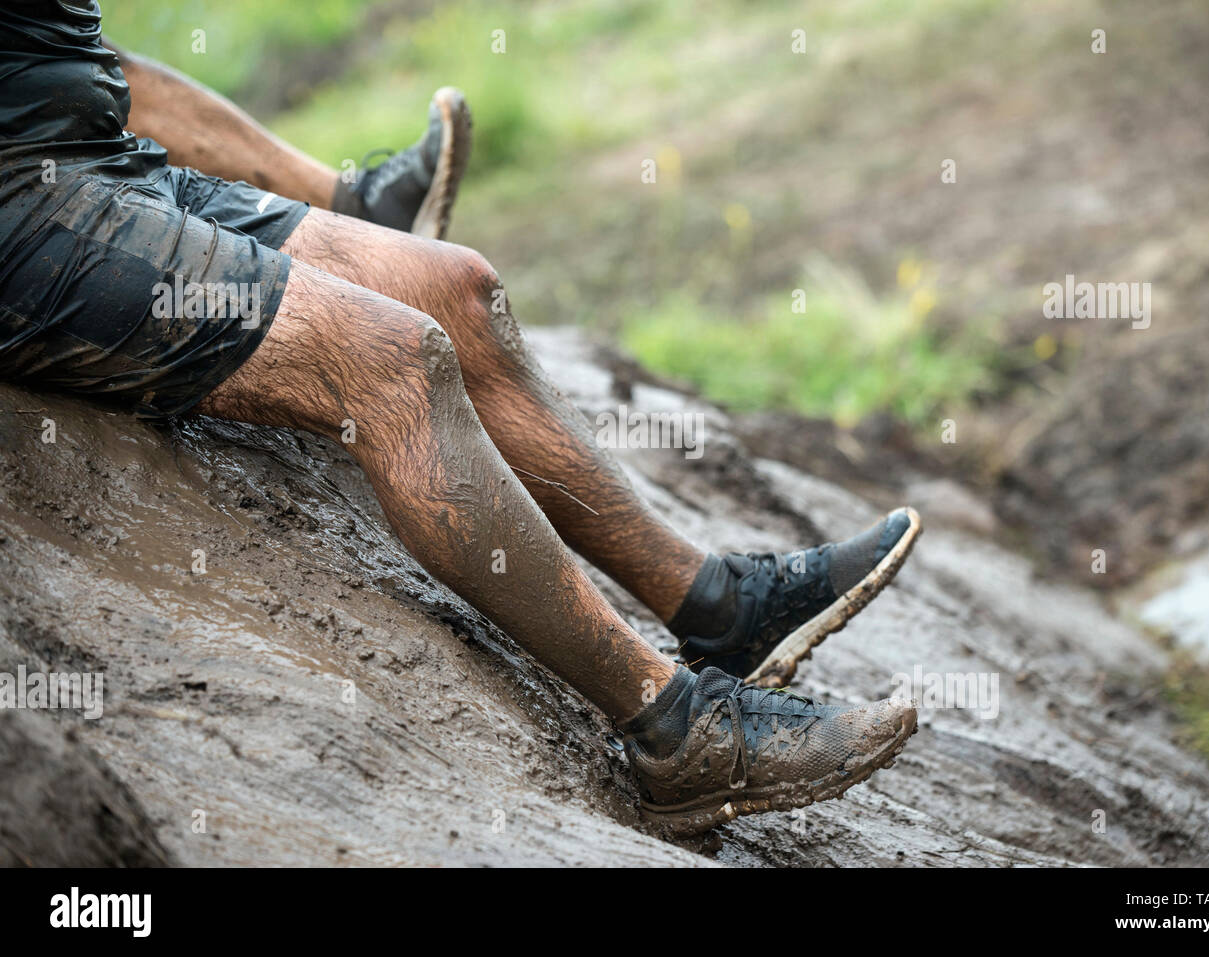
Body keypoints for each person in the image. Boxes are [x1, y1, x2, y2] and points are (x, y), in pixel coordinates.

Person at [0, 1, 922, 833]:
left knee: (457, 288)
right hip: (23, 217)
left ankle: (718, 606)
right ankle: (677, 731)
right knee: (392, 362)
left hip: (96, 155)